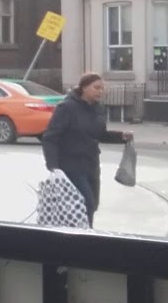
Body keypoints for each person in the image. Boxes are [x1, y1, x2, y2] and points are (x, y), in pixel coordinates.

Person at [40, 72, 132, 225]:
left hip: (91, 164)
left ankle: (82, 231)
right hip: (70, 165)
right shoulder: (66, 108)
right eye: (96, 88)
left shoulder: (99, 109)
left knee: (93, 204)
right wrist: (53, 166)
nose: (100, 91)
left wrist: (121, 136)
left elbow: (99, 134)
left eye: (102, 88)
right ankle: (85, 237)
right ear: (83, 88)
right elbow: (50, 137)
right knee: (85, 202)